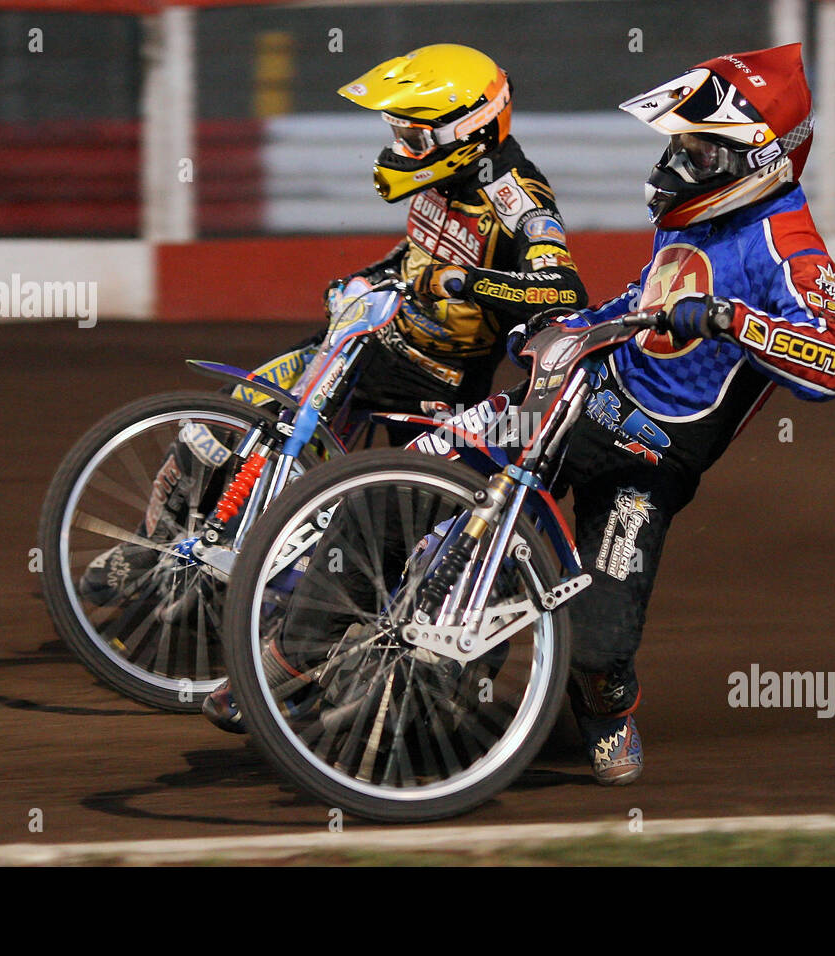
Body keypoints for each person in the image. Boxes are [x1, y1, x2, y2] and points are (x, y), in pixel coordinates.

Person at [193, 43, 588, 732]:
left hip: (438, 382)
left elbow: (561, 287)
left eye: (412, 132)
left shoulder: (518, 196)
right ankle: (151, 559)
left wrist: (468, 284)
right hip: (378, 345)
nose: (400, 145)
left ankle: (292, 665)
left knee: (373, 527)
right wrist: (368, 277)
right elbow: (419, 259)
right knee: (241, 406)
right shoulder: (438, 181)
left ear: (467, 129)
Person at [518, 43, 835, 784]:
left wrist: (736, 321)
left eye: (699, 151)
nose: (677, 165)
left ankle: (606, 709)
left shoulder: (789, 248)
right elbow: (648, 298)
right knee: (447, 481)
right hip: (584, 399)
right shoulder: (691, 212)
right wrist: (569, 329)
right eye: (680, 145)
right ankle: (315, 643)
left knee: (598, 651)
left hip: (651, 461)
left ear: (758, 161)